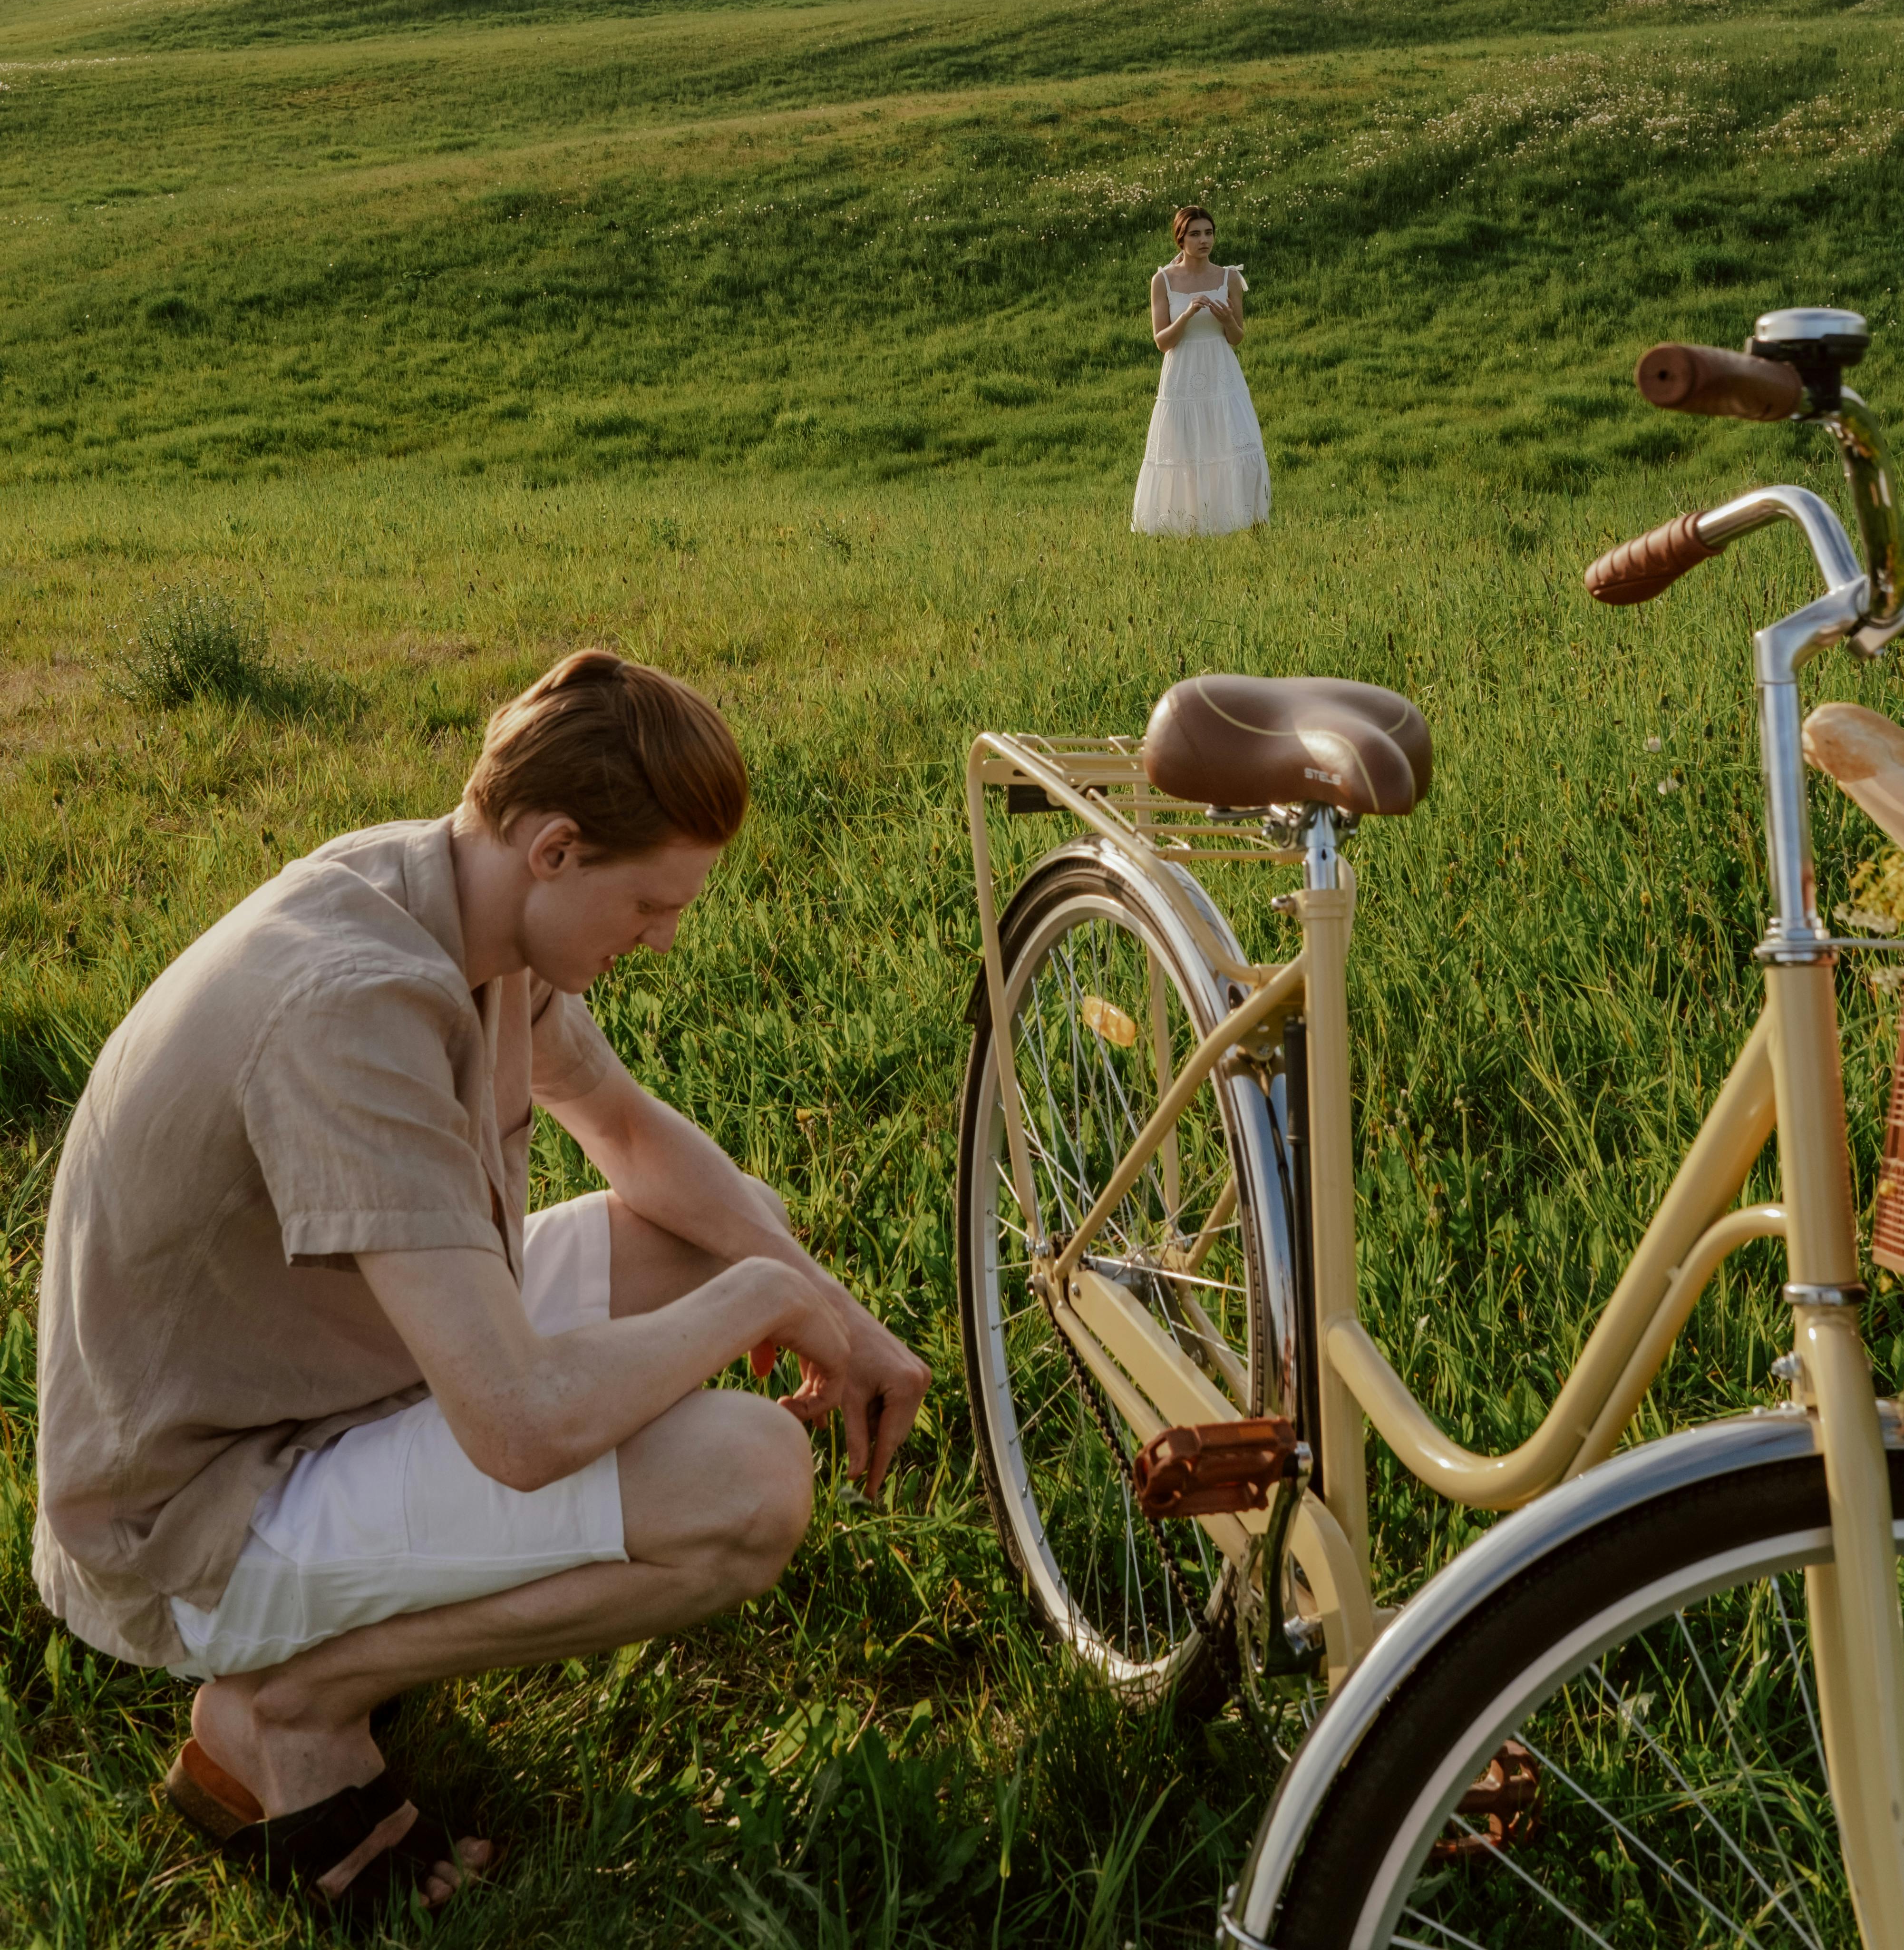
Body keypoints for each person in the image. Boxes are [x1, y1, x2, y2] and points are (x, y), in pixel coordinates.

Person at [32, 650, 929, 1925]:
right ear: (555, 850)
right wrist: (756, 1311)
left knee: (729, 1236)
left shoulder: (453, 895)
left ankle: (321, 1671)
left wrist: (833, 1309)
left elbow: (621, 1126)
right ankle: (289, 1711)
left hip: (328, 1371)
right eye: (652, 904)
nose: (668, 938)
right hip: (196, 1522)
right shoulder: (352, 1009)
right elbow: (520, 1428)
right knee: (748, 1485)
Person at [1131, 205, 1271, 536]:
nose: (1204, 240)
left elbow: (1236, 337)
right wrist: (1187, 315)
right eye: (1195, 234)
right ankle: (1187, 526)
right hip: (1182, 374)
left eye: (1208, 233)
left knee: (1235, 444)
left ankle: (1240, 522)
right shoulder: (1163, 280)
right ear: (1181, 239)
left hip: (1222, 372)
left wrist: (1226, 320)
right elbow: (1162, 342)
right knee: (1185, 451)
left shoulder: (1229, 277)